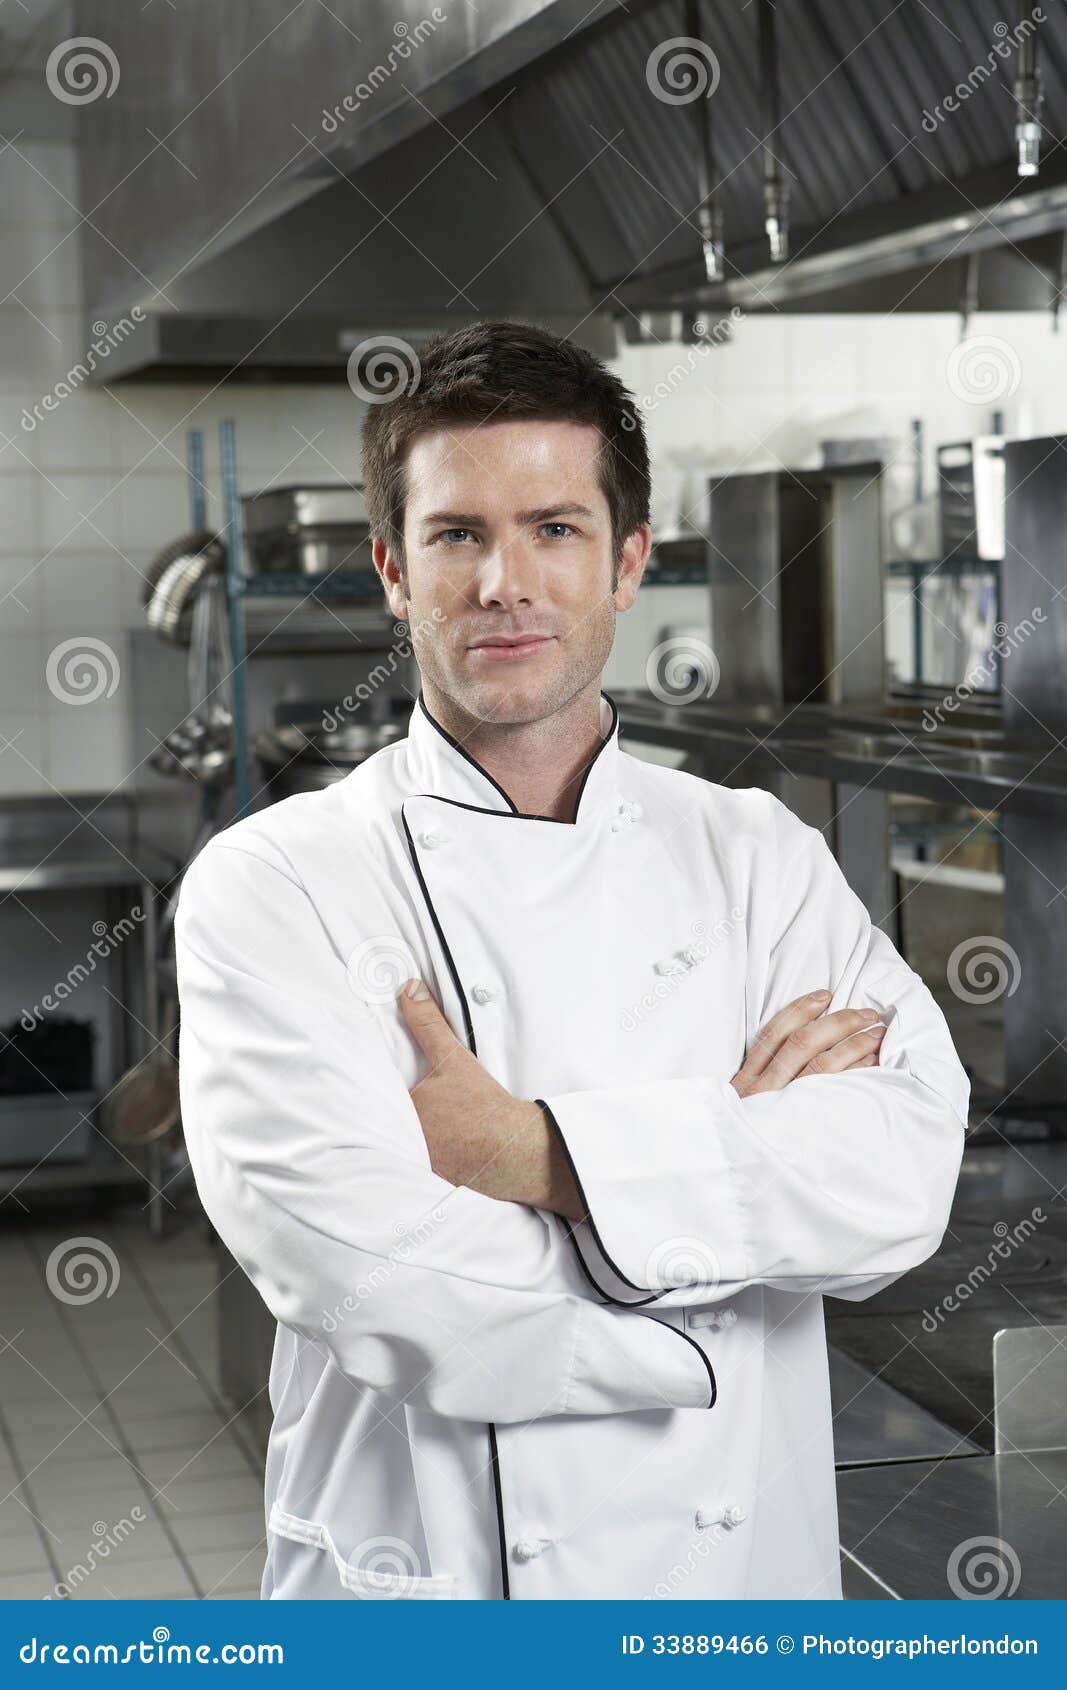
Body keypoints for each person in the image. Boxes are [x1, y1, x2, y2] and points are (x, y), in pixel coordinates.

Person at [174, 319, 969, 1601]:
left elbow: (899, 1180)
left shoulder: (752, 851)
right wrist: (701, 1313)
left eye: (553, 528)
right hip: (428, 1589)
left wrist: (524, 1154)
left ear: (627, 562)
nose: (505, 582)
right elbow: (371, 1271)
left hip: (736, 1593)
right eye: (455, 536)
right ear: (390, 569)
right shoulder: (275, 883)